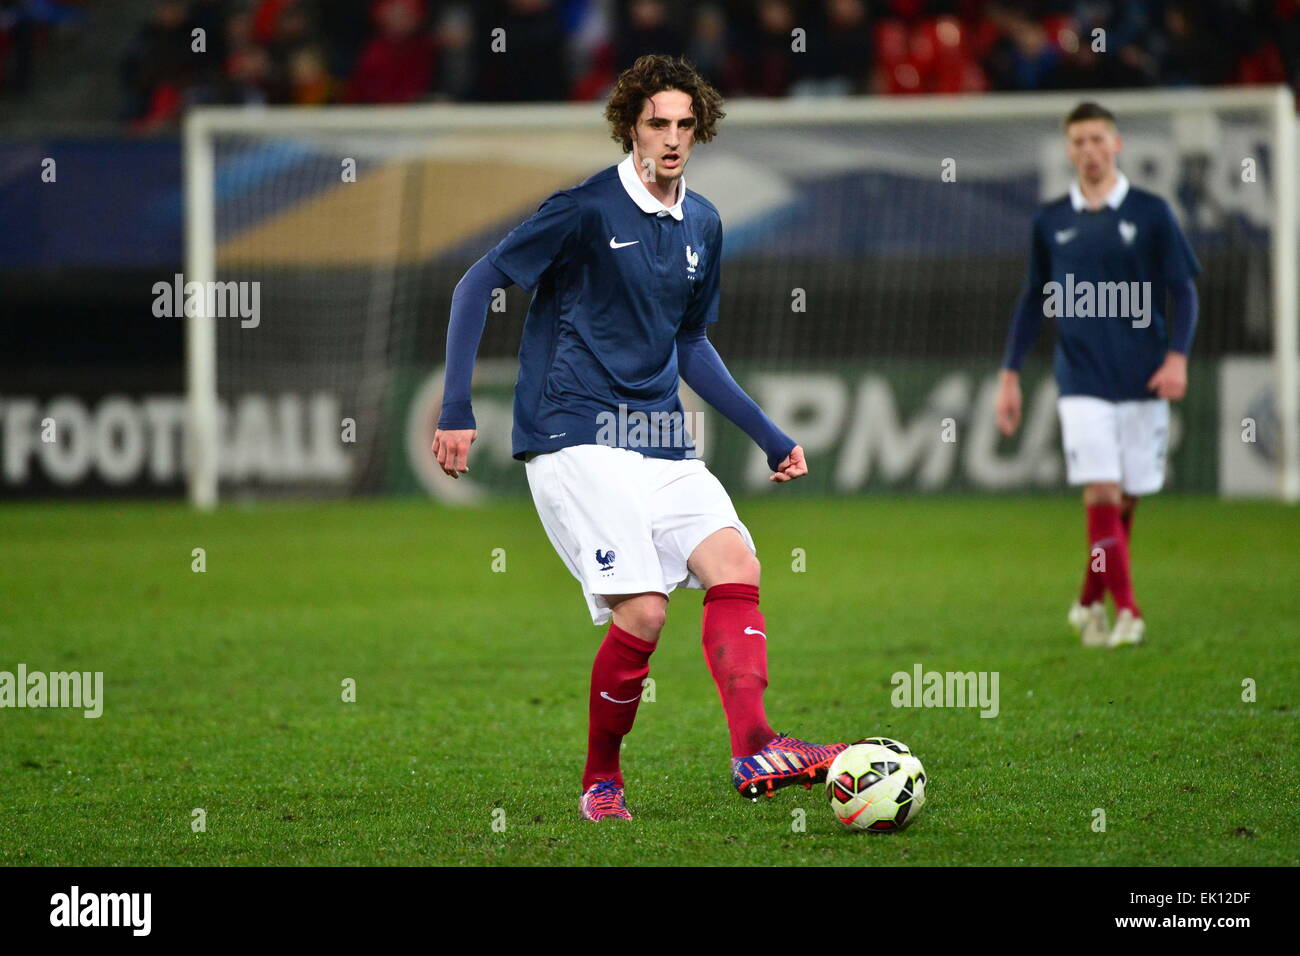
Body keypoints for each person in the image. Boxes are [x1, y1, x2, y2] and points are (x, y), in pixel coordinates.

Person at [432, 54, 846, 820]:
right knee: (645, 613)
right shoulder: (585, 209)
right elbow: (475, 283)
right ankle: (602, 780)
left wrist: (766, 433)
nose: (673, 138)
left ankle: (755, 744)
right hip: (573, 433)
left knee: (735, 562)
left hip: (658, 434)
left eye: (687, 125)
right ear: (630, 126)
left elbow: (688, 342)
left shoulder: (705, 223)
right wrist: (457, 406)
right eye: (658, 123)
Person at [996, 101, 1200, 648]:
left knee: (1127, 498)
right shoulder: (1051, 221)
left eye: (1097, 139)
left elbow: (1183, 289)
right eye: (1079, 141)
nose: (1088, 150)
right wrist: (1010, 374)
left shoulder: (1152, 213)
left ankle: (1089, 600)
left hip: (1142, 377)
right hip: (1080, 378)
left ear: (1117, 145)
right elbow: (1034, 298)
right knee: (1102, 491)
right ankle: (1128, 610)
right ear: (1068, 150)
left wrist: (1177, 356)